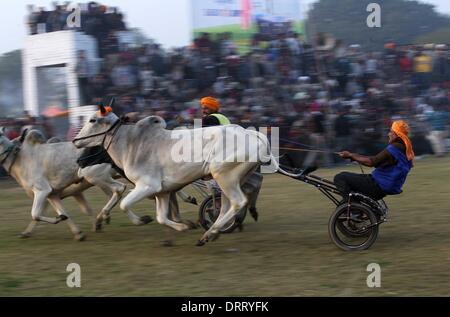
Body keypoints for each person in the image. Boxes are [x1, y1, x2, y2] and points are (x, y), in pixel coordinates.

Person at [334, 120, 414, 201]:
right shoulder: (405, 149)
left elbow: (371, 162)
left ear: (397, 134)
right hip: (385, 186)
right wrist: (353, 156)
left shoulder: (394, 148)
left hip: (377, 185)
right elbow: (376, 160)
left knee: (340, 177)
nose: (389, 134)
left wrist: (350, 155)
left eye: (391, 132)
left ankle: (353, 209)